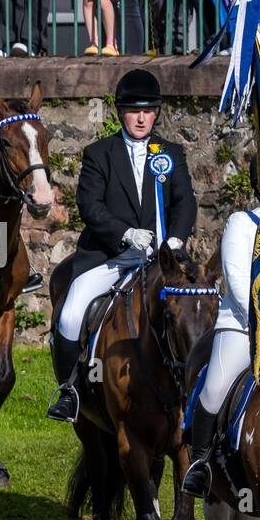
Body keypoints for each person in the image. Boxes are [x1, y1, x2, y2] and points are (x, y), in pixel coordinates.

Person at [47, 69, 198, 422]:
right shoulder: (99, 153)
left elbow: (185, 201)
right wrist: (127, 233)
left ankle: (199, 386)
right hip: (112, 257)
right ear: (120, 113)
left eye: (148, 111)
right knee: (70, 314)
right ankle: (70, 391)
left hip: (164, 259)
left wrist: (175, 238)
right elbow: (90, 206)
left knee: (201, 308)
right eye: (134, 111)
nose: (142, 118)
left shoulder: (171, 152)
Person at [180, 166, 260, 496]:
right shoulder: (242, 222)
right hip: (241, 325)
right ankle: (200, 463)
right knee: (214, 390)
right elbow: (237, 281)